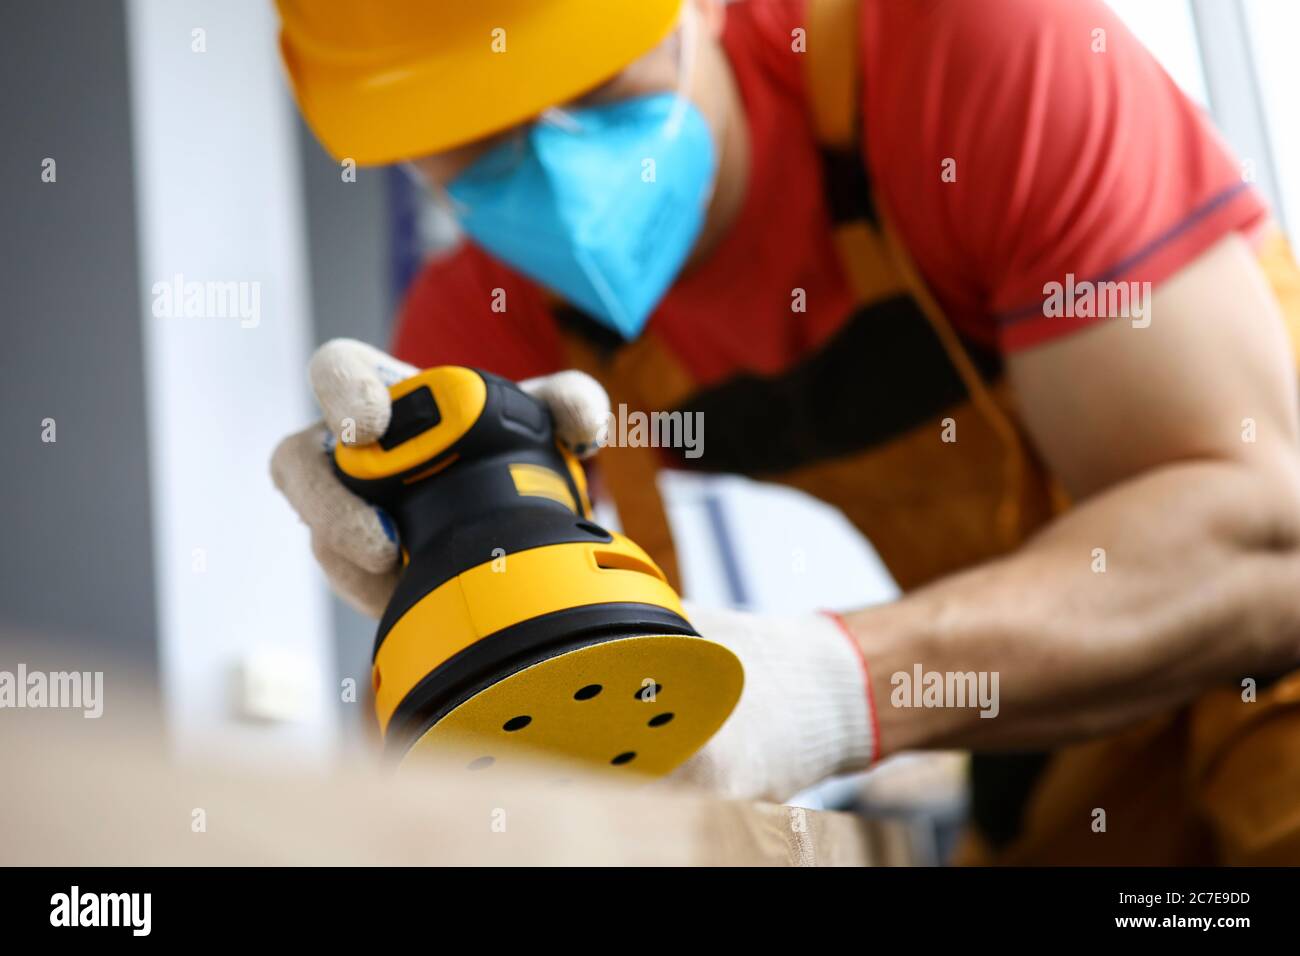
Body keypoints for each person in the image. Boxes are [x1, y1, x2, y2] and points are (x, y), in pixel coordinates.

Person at [269, 0, 1300, 864]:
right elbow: (457, 767)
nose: (553, 164)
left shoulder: (971, 51)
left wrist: (817, 688)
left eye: (589, 82)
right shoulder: (492, 317)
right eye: (475, 133)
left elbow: (1263, 541)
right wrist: (436, 557)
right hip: (1050, 698)